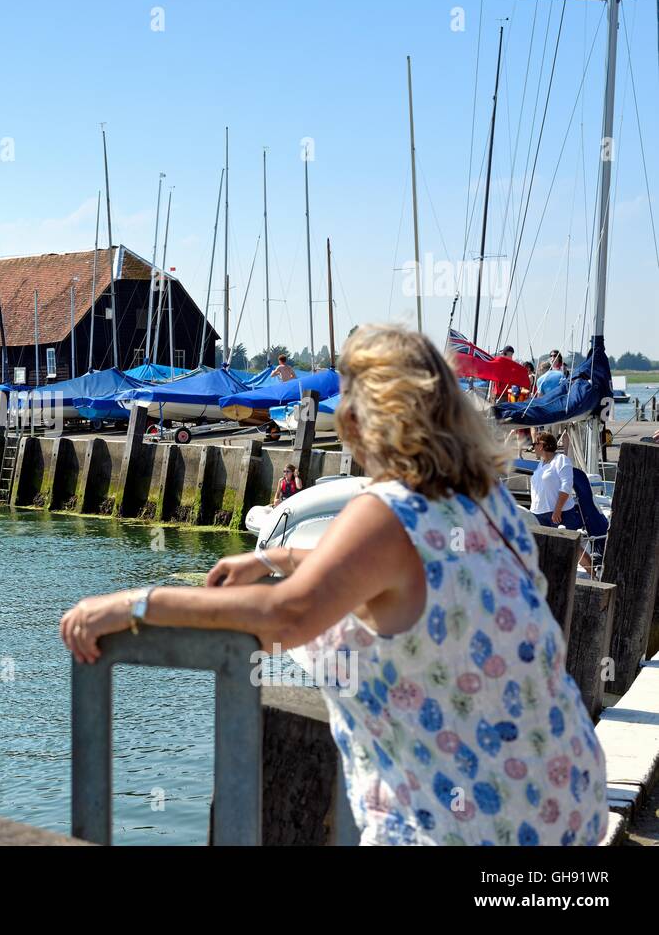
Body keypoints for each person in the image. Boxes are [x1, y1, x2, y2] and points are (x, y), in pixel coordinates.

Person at [60, 323, 606, 846]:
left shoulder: (390, 511)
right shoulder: (484, 502)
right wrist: (277, 558)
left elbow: (284, 618)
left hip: (463, 828)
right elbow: (391, 569)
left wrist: (136, 604)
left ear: (360, 419)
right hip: (561, 801)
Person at [530, 432, 593, 570]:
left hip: (560, 513)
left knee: (571, 547)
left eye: (535, 443)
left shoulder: (561, 460)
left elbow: (566, 485)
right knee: (544, 549)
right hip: (539, 513)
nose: (533, 446)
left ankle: (594, 576)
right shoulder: (540, 464)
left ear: (543, 445)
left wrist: (557, 509)